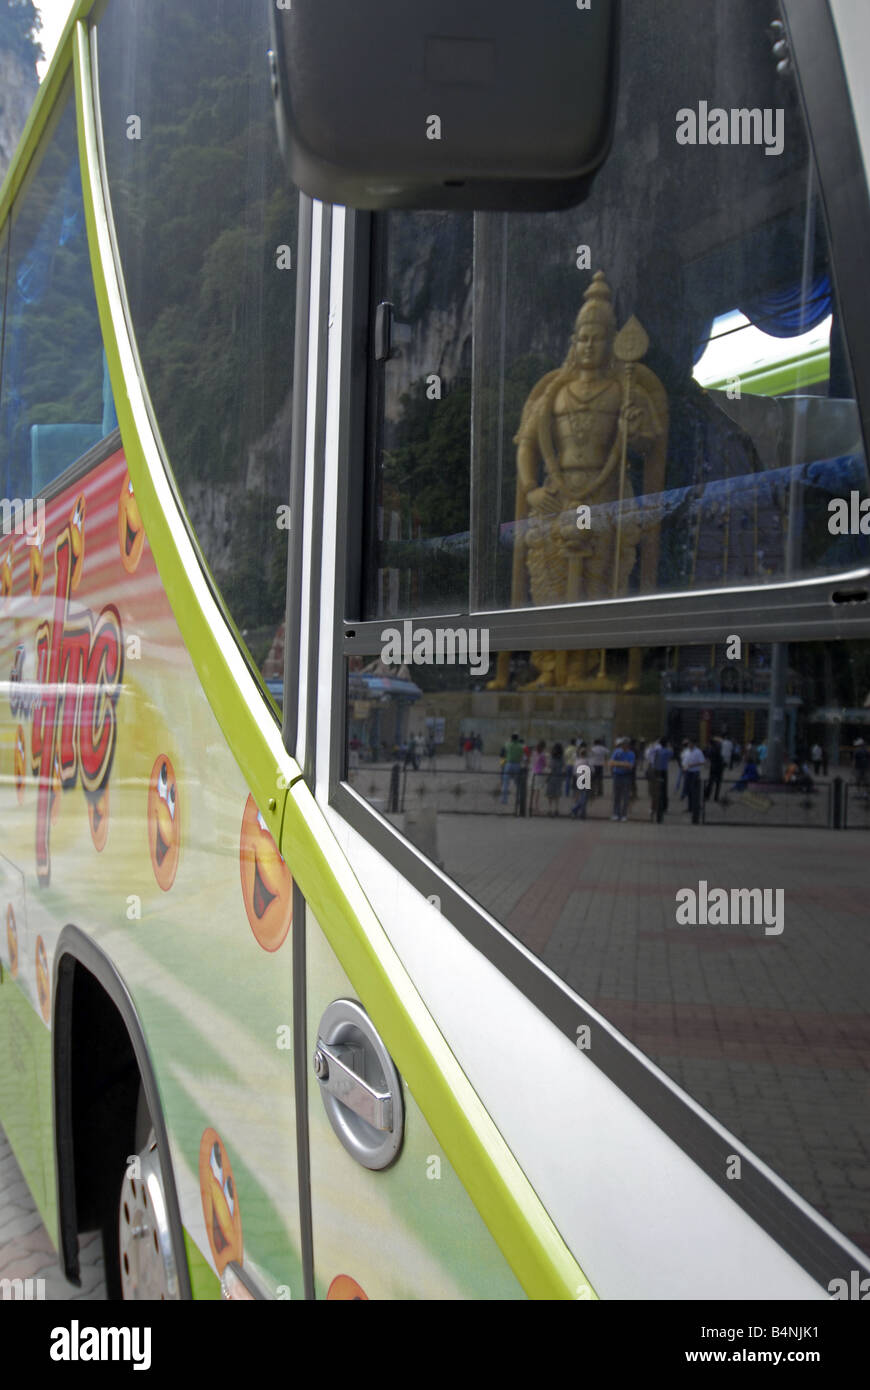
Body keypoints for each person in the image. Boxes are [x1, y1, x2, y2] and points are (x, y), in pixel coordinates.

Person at [681, 737, 705, 824]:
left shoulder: (698, 752)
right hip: (687, 772)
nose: (690, 745)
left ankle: (696, 808)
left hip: (694, 772)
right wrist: (684, 767)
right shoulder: (686, 751)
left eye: (691, 744)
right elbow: (684, 760)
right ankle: (690, 807)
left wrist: (693, 765)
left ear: (694, 744)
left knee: (694, 791)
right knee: (688, 790)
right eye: (689, 744)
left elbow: (702, 762)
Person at [610, 737, 635, 821]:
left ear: (628, 745)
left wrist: (619, 764)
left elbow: (630, 766)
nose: (623, 746)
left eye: (625, 744)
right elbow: (611, 763)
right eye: (622, 744)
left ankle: (624, 814)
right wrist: (624, 764)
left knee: (625, 796)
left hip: (626, 776)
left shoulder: (631, 754)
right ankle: (616, 813)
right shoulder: (617, 752)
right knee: (617, 796)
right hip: (617, 775)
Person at [651, 736, 672, 822]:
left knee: (656, 789)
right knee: (664, 789)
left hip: (657, 770)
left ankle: (656, 806)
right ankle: (664, 807)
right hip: (664, 771)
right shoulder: (668, 751)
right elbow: (671, 756)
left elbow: (653, 758)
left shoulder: (657, 751)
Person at [501, 732, 524, 805]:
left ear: (511, 738)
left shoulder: (508, 745)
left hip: (509, 764)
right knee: (518, 784)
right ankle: (518, 799)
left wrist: (510, 740)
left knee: (505, 783)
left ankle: (504, 800)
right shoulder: (521, 746)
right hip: (517, 765)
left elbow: (506, 744)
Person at [570, 744, 591, 819]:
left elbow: (574, 772)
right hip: (585, 779)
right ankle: (578, 811)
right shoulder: (586, 761)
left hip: (578, 779)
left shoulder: (577, 761)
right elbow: (592, 770)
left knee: (582, 797)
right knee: (584, 797)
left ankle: (580, 812)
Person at [546, 742, 564, 817]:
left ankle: (550, 809)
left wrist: (547, 777)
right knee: (557, 794)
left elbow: (549, 767)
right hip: (559, 777)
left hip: (552, 777)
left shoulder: (552, 758)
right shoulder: (562, 758)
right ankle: (556, 809)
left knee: (550, 794)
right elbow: (563, 767)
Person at [530, 741, 547, 815]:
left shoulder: (534, 753)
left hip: (533, 772)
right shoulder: (542, 755)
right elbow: (545, 764)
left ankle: (531, 806)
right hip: (539, 773)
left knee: (533, 791)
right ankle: (536, 807)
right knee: (537, 791)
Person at [705, 736, 724, 802]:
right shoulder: (718, 748)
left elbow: (708, 756)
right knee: (718, 784)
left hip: (713, 767)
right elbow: (721, 757)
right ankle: (716, 797)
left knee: (710, 783)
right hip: (719, 767)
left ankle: (707, 796)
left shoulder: (710, 749)